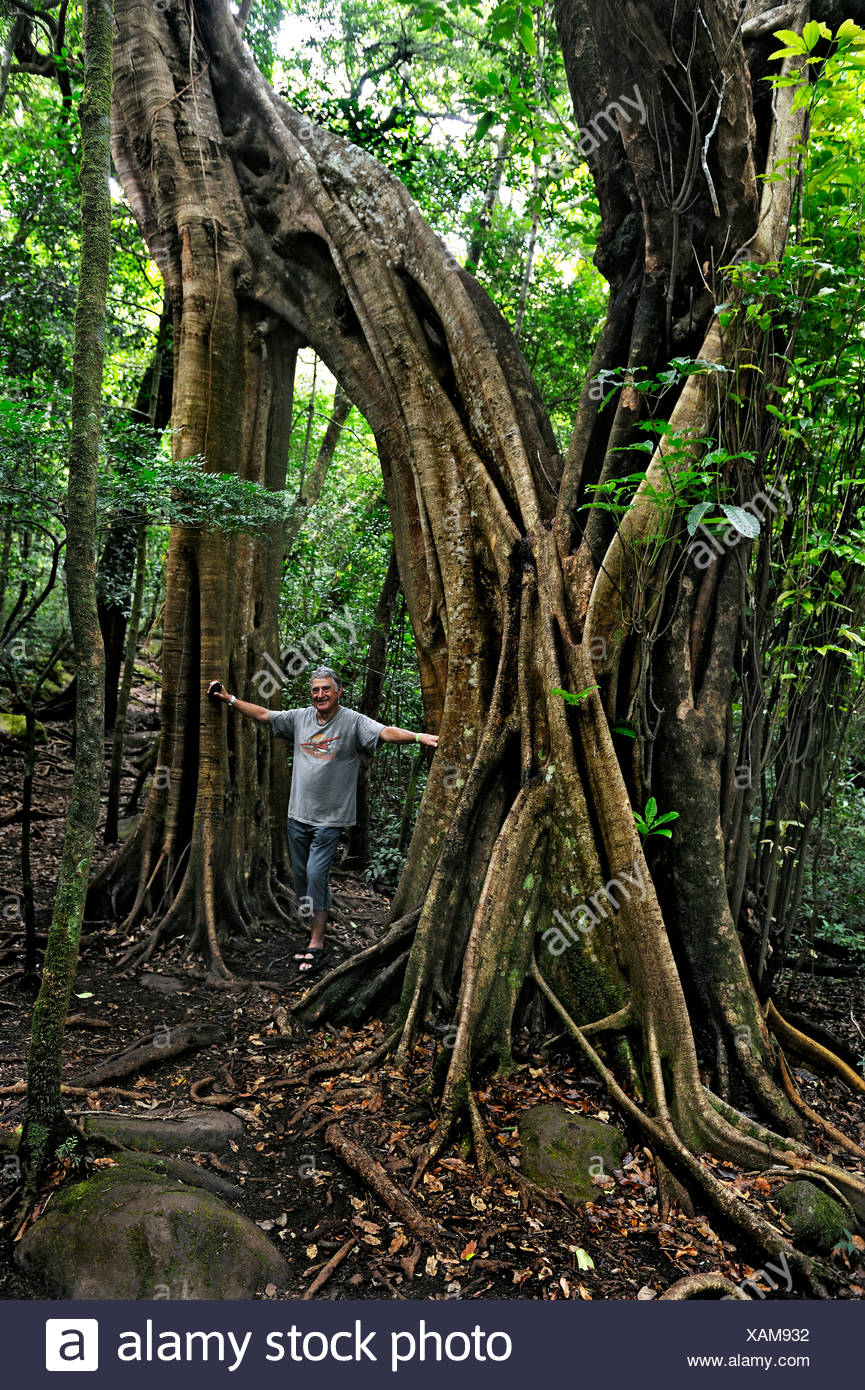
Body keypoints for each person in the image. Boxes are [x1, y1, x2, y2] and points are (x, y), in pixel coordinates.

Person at [207, 667, 438, 974]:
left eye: (326, 689)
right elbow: (265, 715)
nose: (320, 695)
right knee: (302, 879)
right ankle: (310, 928)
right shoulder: (300, 718)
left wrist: (418, 736)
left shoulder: (353, 721)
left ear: (338, 691)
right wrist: (229, 699)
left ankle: (316, 940)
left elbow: (384, 731)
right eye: (315, 690)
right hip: (297, 816)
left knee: (316, 875)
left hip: (330, 820)